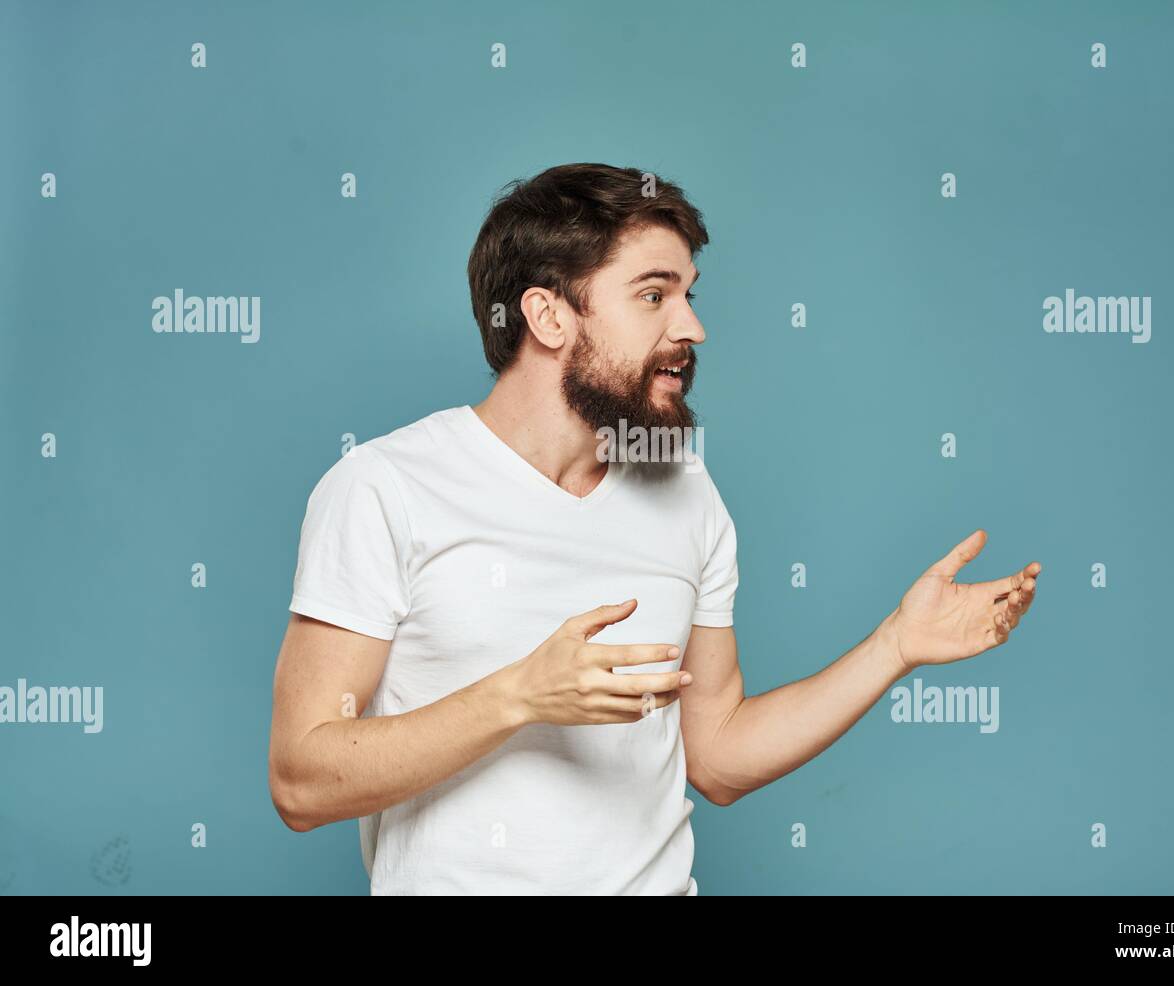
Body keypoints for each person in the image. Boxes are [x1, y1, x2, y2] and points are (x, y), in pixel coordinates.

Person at [267, 162, 1042, 895]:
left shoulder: (686, 490)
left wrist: (894, 647)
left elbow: (719, 756)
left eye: (690, 295)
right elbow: (301, 779)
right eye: (653, 296)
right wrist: (518, 697)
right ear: (547, 315)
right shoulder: (385, 488)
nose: (693, 328)